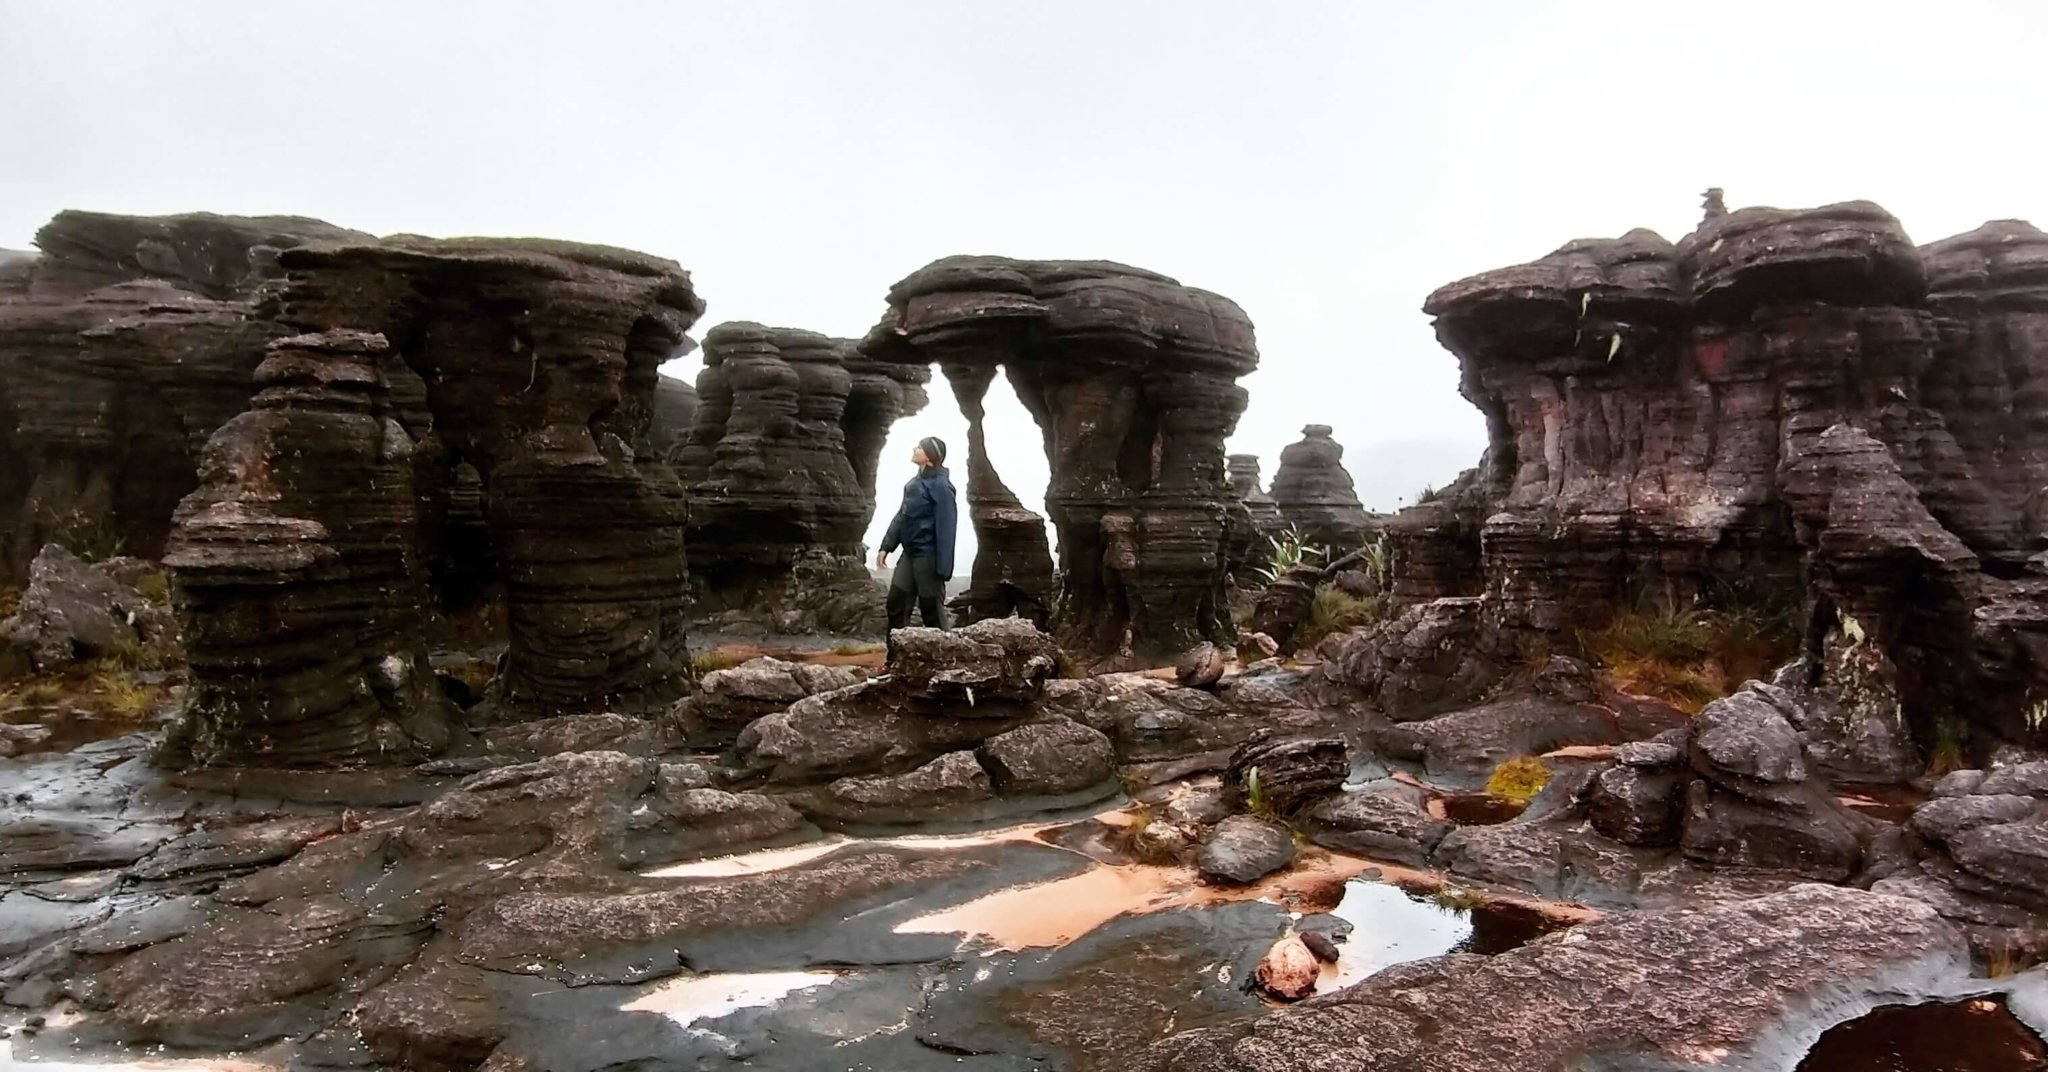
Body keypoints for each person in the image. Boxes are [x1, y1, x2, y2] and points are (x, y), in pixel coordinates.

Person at [876, 436, 958, 631]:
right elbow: (901, 516)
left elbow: (947, 528)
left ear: (930, 456)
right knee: (896, 604)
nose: (914, 449)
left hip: (929, 557)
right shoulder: (913, 484)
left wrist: (944, 568)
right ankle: (895, 658)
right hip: (909, 555)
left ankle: (942, 657)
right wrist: (886, 546)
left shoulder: (942, 487)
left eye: (919, 447)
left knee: (931, 611)